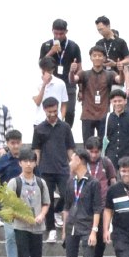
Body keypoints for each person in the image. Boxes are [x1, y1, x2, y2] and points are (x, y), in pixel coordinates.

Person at [60, 148, 107, 257]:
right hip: (72, 226)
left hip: (87, 227)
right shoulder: (70, 182)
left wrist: (94, 231)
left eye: (72, 159)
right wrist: (64, 230)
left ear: (79, 160)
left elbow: (97, 209)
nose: (70, 163)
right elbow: (66, 207)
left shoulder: (93, 183)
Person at [5, 135, 49, 257]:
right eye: (25, 161)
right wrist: (24, 217)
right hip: (21, 227)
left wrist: (41, 215)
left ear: (35, 163)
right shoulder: (14, 183)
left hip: (37, 227)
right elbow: (9, 207)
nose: (29, 164)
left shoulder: (41, 183)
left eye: (31, 161)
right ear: (20, 163)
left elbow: (46, 203)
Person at [30, 99, 74, 237]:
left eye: (55, 111)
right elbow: (36, 150)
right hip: (45, 170)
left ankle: (57, 211)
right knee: (47, 199)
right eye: (49, 112)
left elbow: (70, 148)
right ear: (44, 110)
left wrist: (74, 164)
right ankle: (51, 229)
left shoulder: (65, 127)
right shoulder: (39, 129)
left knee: (67, 194)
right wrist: (35, 168)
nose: (53, 114)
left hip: (63, 169)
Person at [77, 54, 116, 150]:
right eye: (94, 55)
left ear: (104, 58)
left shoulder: (110, 74)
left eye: (99, 55)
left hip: (103, 115)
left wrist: (122, 70)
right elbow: (72, 80)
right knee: (87, 146)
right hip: (87, 115)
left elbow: (120, 80)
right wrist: (71, 71)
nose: (97, 58)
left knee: (104, 146)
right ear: (90, 57)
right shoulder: (84, 73)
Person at [100, 91, 129, 178]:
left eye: (120, 101)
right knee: (111, 181)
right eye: (115, 101)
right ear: (111, 102)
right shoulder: (106, 118)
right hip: (110, 156)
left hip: (127, 155)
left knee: (127, 181)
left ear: (125, 101)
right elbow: (101, 138)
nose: (117, 103)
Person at [38, 17, 82, 87]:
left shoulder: (74, 46)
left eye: (61, 34)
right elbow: (41, 65)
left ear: (66, 31)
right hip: (50, 84)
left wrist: (80, 88)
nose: (58, 36)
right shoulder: (46, 45)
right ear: (52, 30)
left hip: (68, 86)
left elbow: (79, 69)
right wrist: (51, 52)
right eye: (56, 33)